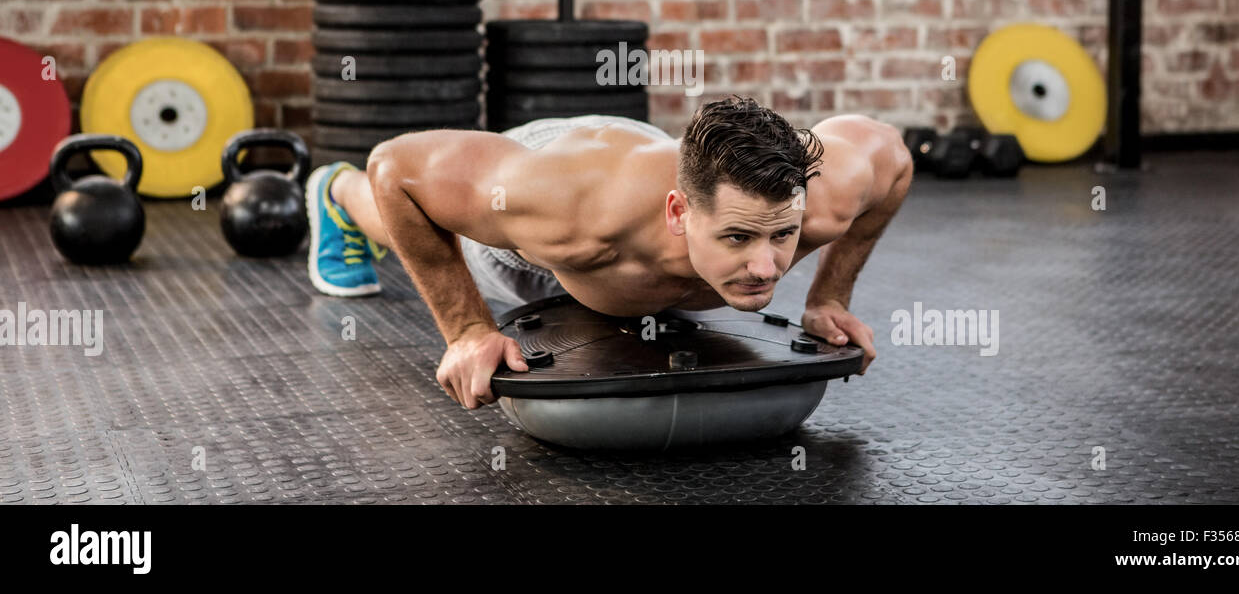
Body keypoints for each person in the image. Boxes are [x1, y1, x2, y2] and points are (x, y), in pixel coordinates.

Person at [304, 95, 912, 409]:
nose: (765, 267)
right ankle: (332, 192)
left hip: (642, 162)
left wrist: (829, 295)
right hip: (557, 195)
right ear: (679, 214)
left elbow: (893, 155)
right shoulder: (567, 214)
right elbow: (397, 168)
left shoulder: (823, 198)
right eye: (737, 238)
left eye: (782, 235)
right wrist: (465, 329)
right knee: (392, 216)